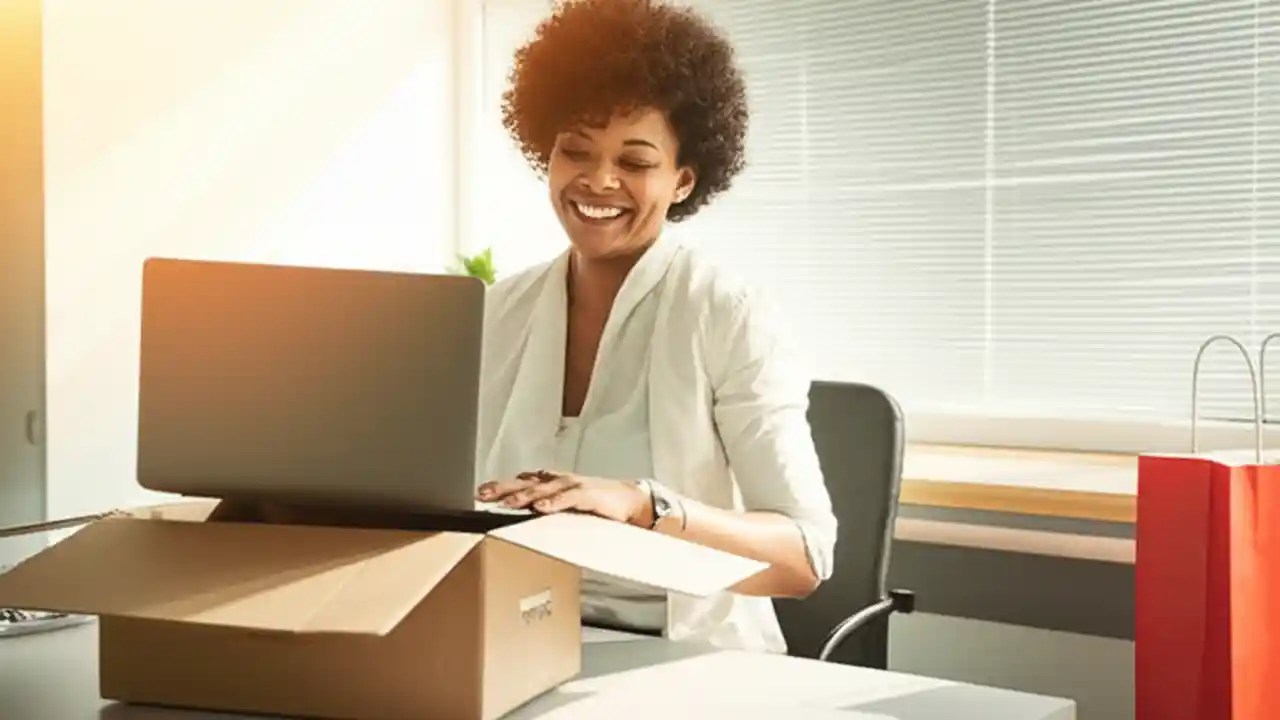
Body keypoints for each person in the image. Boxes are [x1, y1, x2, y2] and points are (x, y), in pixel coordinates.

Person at [473, 0, 837, 654]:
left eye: (636, 163)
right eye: (574, 150)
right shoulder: (499, 311)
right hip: (514, 636)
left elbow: (805, 557)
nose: (598, 179)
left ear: (683, 179)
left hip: (687, 654)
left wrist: (646, 506)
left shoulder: (727, 312)